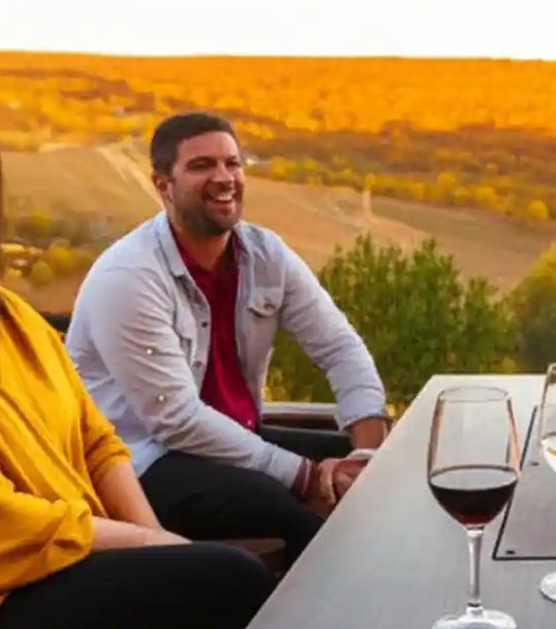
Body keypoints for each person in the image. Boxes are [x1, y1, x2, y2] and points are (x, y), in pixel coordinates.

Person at [0, 129, 276, 629]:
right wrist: (155, 548)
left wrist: (160, 540)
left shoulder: (15, 322)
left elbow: (98, 443)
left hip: (65, 558)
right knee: (231, 580)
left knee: (213, 578)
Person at [64, 111, 391, 565]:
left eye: (232, 163)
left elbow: (339, 348)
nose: (224, 178)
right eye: (202, 166)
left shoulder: (264, 254)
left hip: (234, 441)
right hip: (142, 465)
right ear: (162, 185)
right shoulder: (129, 277)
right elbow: (176, 420)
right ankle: (325, 626)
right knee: (284, 509)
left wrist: (366, 452)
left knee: (386, 475)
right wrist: (306, 477)